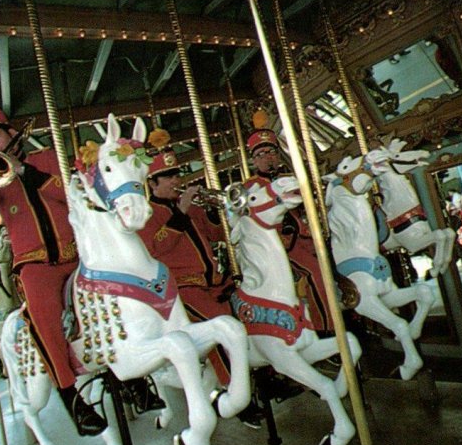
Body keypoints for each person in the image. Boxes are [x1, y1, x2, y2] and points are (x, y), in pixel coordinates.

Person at [0, 104, 105, 436]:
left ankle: (135, 379)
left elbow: (68, 194)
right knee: (43, 319)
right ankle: (70, 396)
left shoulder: (46, 158)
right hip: (35, 264)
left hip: (79, 255)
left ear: (12, 135)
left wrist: (25, 171)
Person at [136, 145, 259, 426]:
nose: (176, 180)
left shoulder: (191, 206)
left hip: (215, 281)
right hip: (182, 291)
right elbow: (157, 248)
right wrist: (180, 210)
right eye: (167, 176)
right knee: (219, 325)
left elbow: (217, 234)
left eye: (176, 174)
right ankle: (235, 394)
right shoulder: (147, 214)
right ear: (152, 183)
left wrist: (224, 212)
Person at [246, 122, 333, 333]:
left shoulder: (291, 179)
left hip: (306, 236)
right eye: (262, 154)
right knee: (315, 272)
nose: (269, 157)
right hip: (281, 244)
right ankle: (326, 328)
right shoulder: (251, 187)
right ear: (254, 160)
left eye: (272, 152)